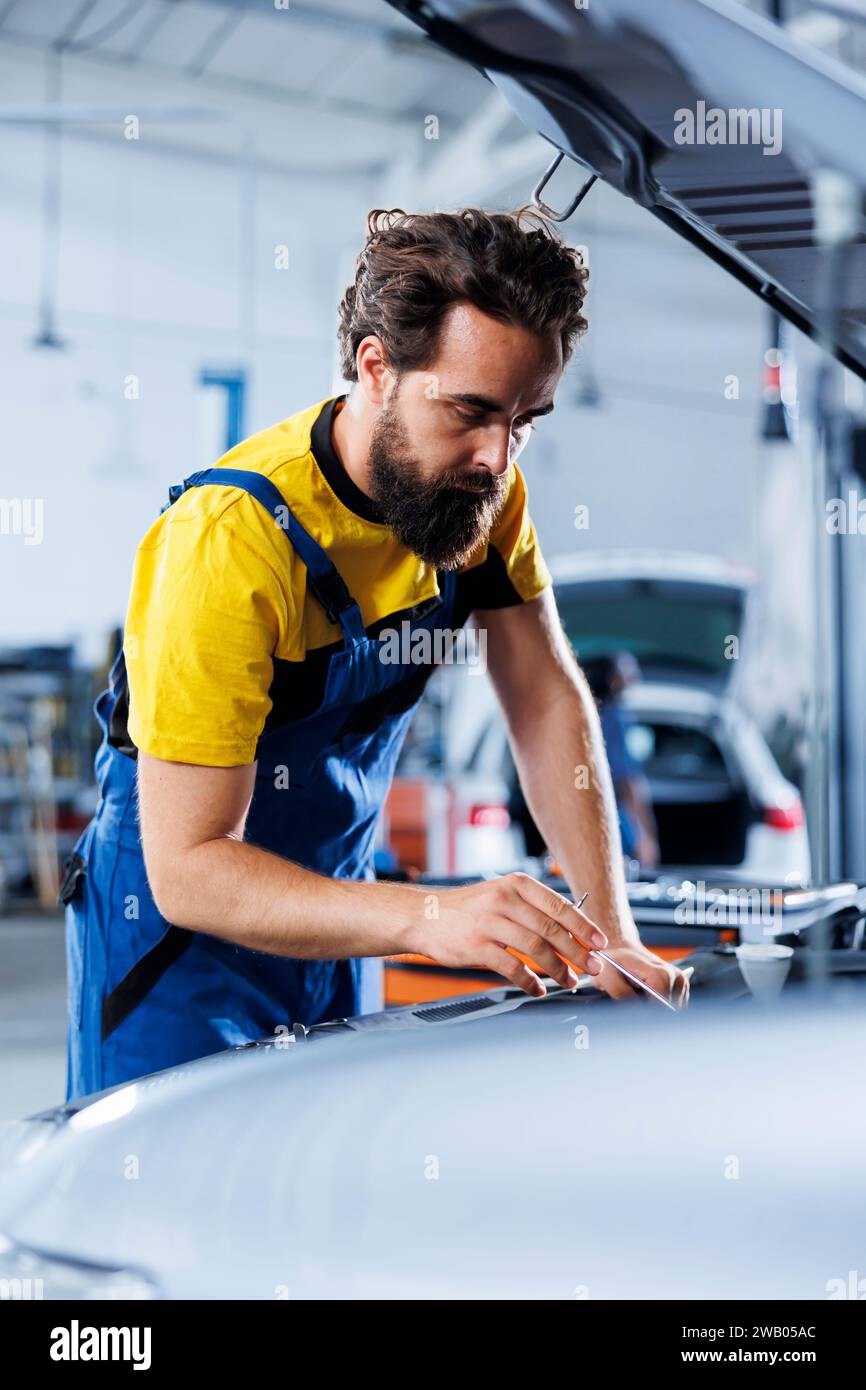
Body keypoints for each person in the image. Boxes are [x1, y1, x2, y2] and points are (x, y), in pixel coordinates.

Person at [61, 207, 689, 1099]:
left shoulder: (478, 497)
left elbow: (544, 694)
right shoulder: (229, 543)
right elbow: (191, 869)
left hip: (341, 929)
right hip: (177, 959)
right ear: (376, 366)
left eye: (525, 420)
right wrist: (433, 916)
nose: (496, 456)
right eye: (471, 411)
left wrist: (612, 930)